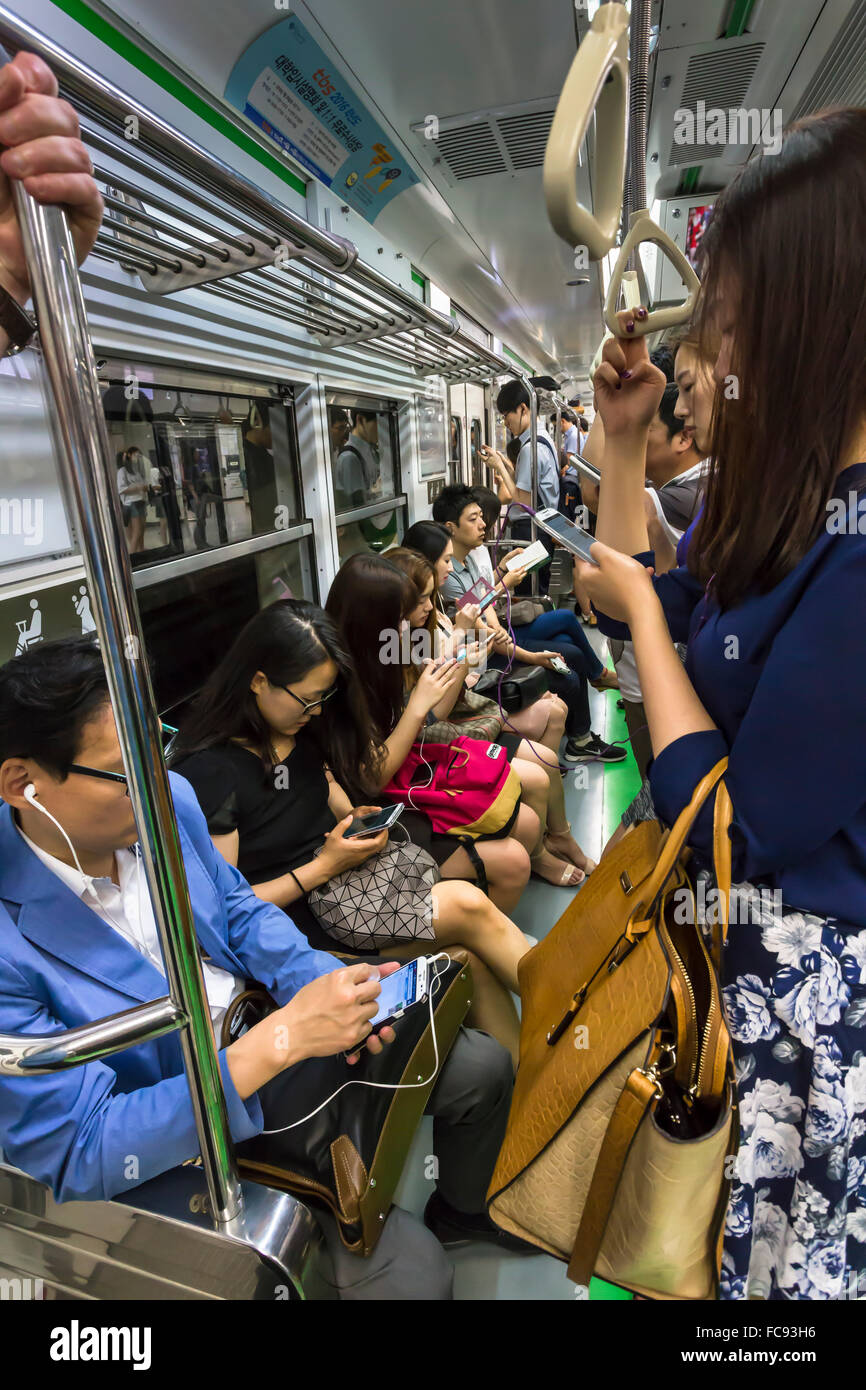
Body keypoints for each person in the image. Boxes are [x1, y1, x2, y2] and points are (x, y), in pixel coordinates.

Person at [577, 108, 866, 1301]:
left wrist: (646, 614)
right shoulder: (798, 505)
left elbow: (739, 824)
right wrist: (620, 440)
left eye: (735, 323)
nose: (716, 354)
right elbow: (630, 613)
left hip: (808, 1013)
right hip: (727, 978)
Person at [0, 636, 519, 1293]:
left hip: (264, 1029)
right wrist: (283, 1041)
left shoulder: (167, 803)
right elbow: (83, 1148)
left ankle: (463, 1209)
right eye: (124, 771)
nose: (155, 783)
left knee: (481, 1067)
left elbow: (238, 914)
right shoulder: (9, 945)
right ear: (25, 784)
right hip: (185, 1123)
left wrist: (317, 980)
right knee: (413, 1277)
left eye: (154, 752)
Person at [169, 599, 532, 1063]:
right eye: (308, 699)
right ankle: (571, 1017)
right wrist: (324, 866)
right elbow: (224, 914)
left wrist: (353, 819)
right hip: (301, 932)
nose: (317, 712)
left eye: (324, 698)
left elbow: (324, 790)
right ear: (258, 682)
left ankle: (535, 1082)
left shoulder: (298, 731)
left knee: (472, 958)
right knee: (467, 905)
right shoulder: (214, 777)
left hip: (347, 888)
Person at [326, 552, 545, 910]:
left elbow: (428, 718)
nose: (409, 623)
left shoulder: (385, 656)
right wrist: (417, 707)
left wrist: (456, 663)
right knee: (514, 853)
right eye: (399, 617)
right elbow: (376, 776)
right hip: (385, 796)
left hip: (409, 767)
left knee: (529, 819)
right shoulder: (343, 682)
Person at [391, 541, 595, 883]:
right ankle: (543, 838)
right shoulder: (421, 623)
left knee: (559, 686)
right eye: (444, 559)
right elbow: (433, 712)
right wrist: (496, 591)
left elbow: (483, 624)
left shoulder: (443, 599)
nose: (451, 567)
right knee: (563, 689)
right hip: (459, 709)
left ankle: (552, 833)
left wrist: (500, 578)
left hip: (468, 693)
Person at [432, 485, 624, 764]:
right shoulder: (447, 575)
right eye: (473, 519)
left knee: (567, 629)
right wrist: (503, 587)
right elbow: (472, 611)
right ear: (451, 527)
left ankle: (585, 716)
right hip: (485, 654)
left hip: (493, 637)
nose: (483, 524)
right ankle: (581, 734)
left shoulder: (467, 559)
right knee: (569, 661)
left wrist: (502, 571)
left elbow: (478, 601)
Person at [335, 409, 381, 511]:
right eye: (377, 424)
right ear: (360, 420)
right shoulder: (349, 457)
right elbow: (356, 506)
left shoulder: (372, 451)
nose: (381, 430)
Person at [116, 446, 148, 553]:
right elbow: (121, 489)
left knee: (141, 529)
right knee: (137, 531)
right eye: (135, 455)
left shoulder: (135, 470)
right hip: (132, 503)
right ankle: (133, 555)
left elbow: (141, 483)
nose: (137, 457)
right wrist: (137, 487)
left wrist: (143, 488)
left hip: (140, 501)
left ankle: (141, 550)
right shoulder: (122, 471)